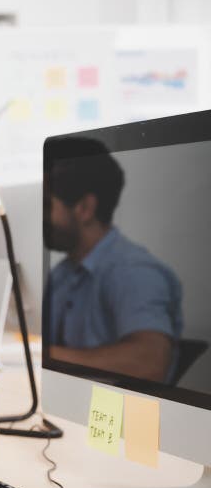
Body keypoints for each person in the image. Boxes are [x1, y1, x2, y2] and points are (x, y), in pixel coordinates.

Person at [44, 137, 183, 383]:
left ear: (85, 208)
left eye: (47, 206)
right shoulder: (64, 273)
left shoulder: (133, 271)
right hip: (69, 406)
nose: (42, 217)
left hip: (116, 417)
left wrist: (46, 355)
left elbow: (150, 362)